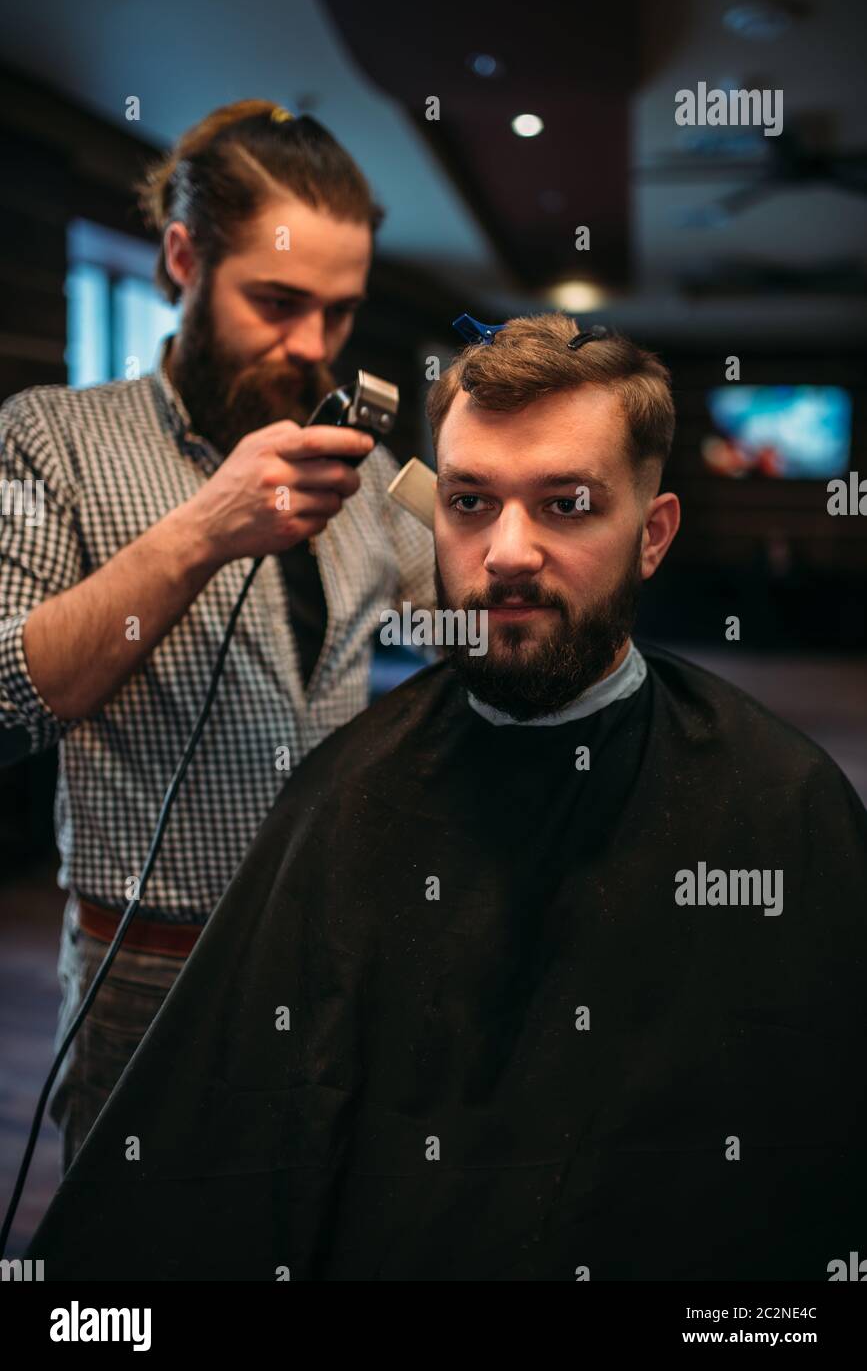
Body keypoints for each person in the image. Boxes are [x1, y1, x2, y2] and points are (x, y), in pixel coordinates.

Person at [27, 313, 867, 1281]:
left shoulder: (781, 805)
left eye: (566, 504)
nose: (507, 551)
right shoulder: (345, 797)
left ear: (653, 534)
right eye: (470, 502)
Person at [0, 99, 433, 1174]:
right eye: (278, 302)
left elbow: (455, 588)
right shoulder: (48, 435)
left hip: (335, 945)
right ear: (184, 259)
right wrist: (204, 528)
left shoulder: (366, 468)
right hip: (147, 968)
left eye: (338, 314)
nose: (311, 348)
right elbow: (9, 693)